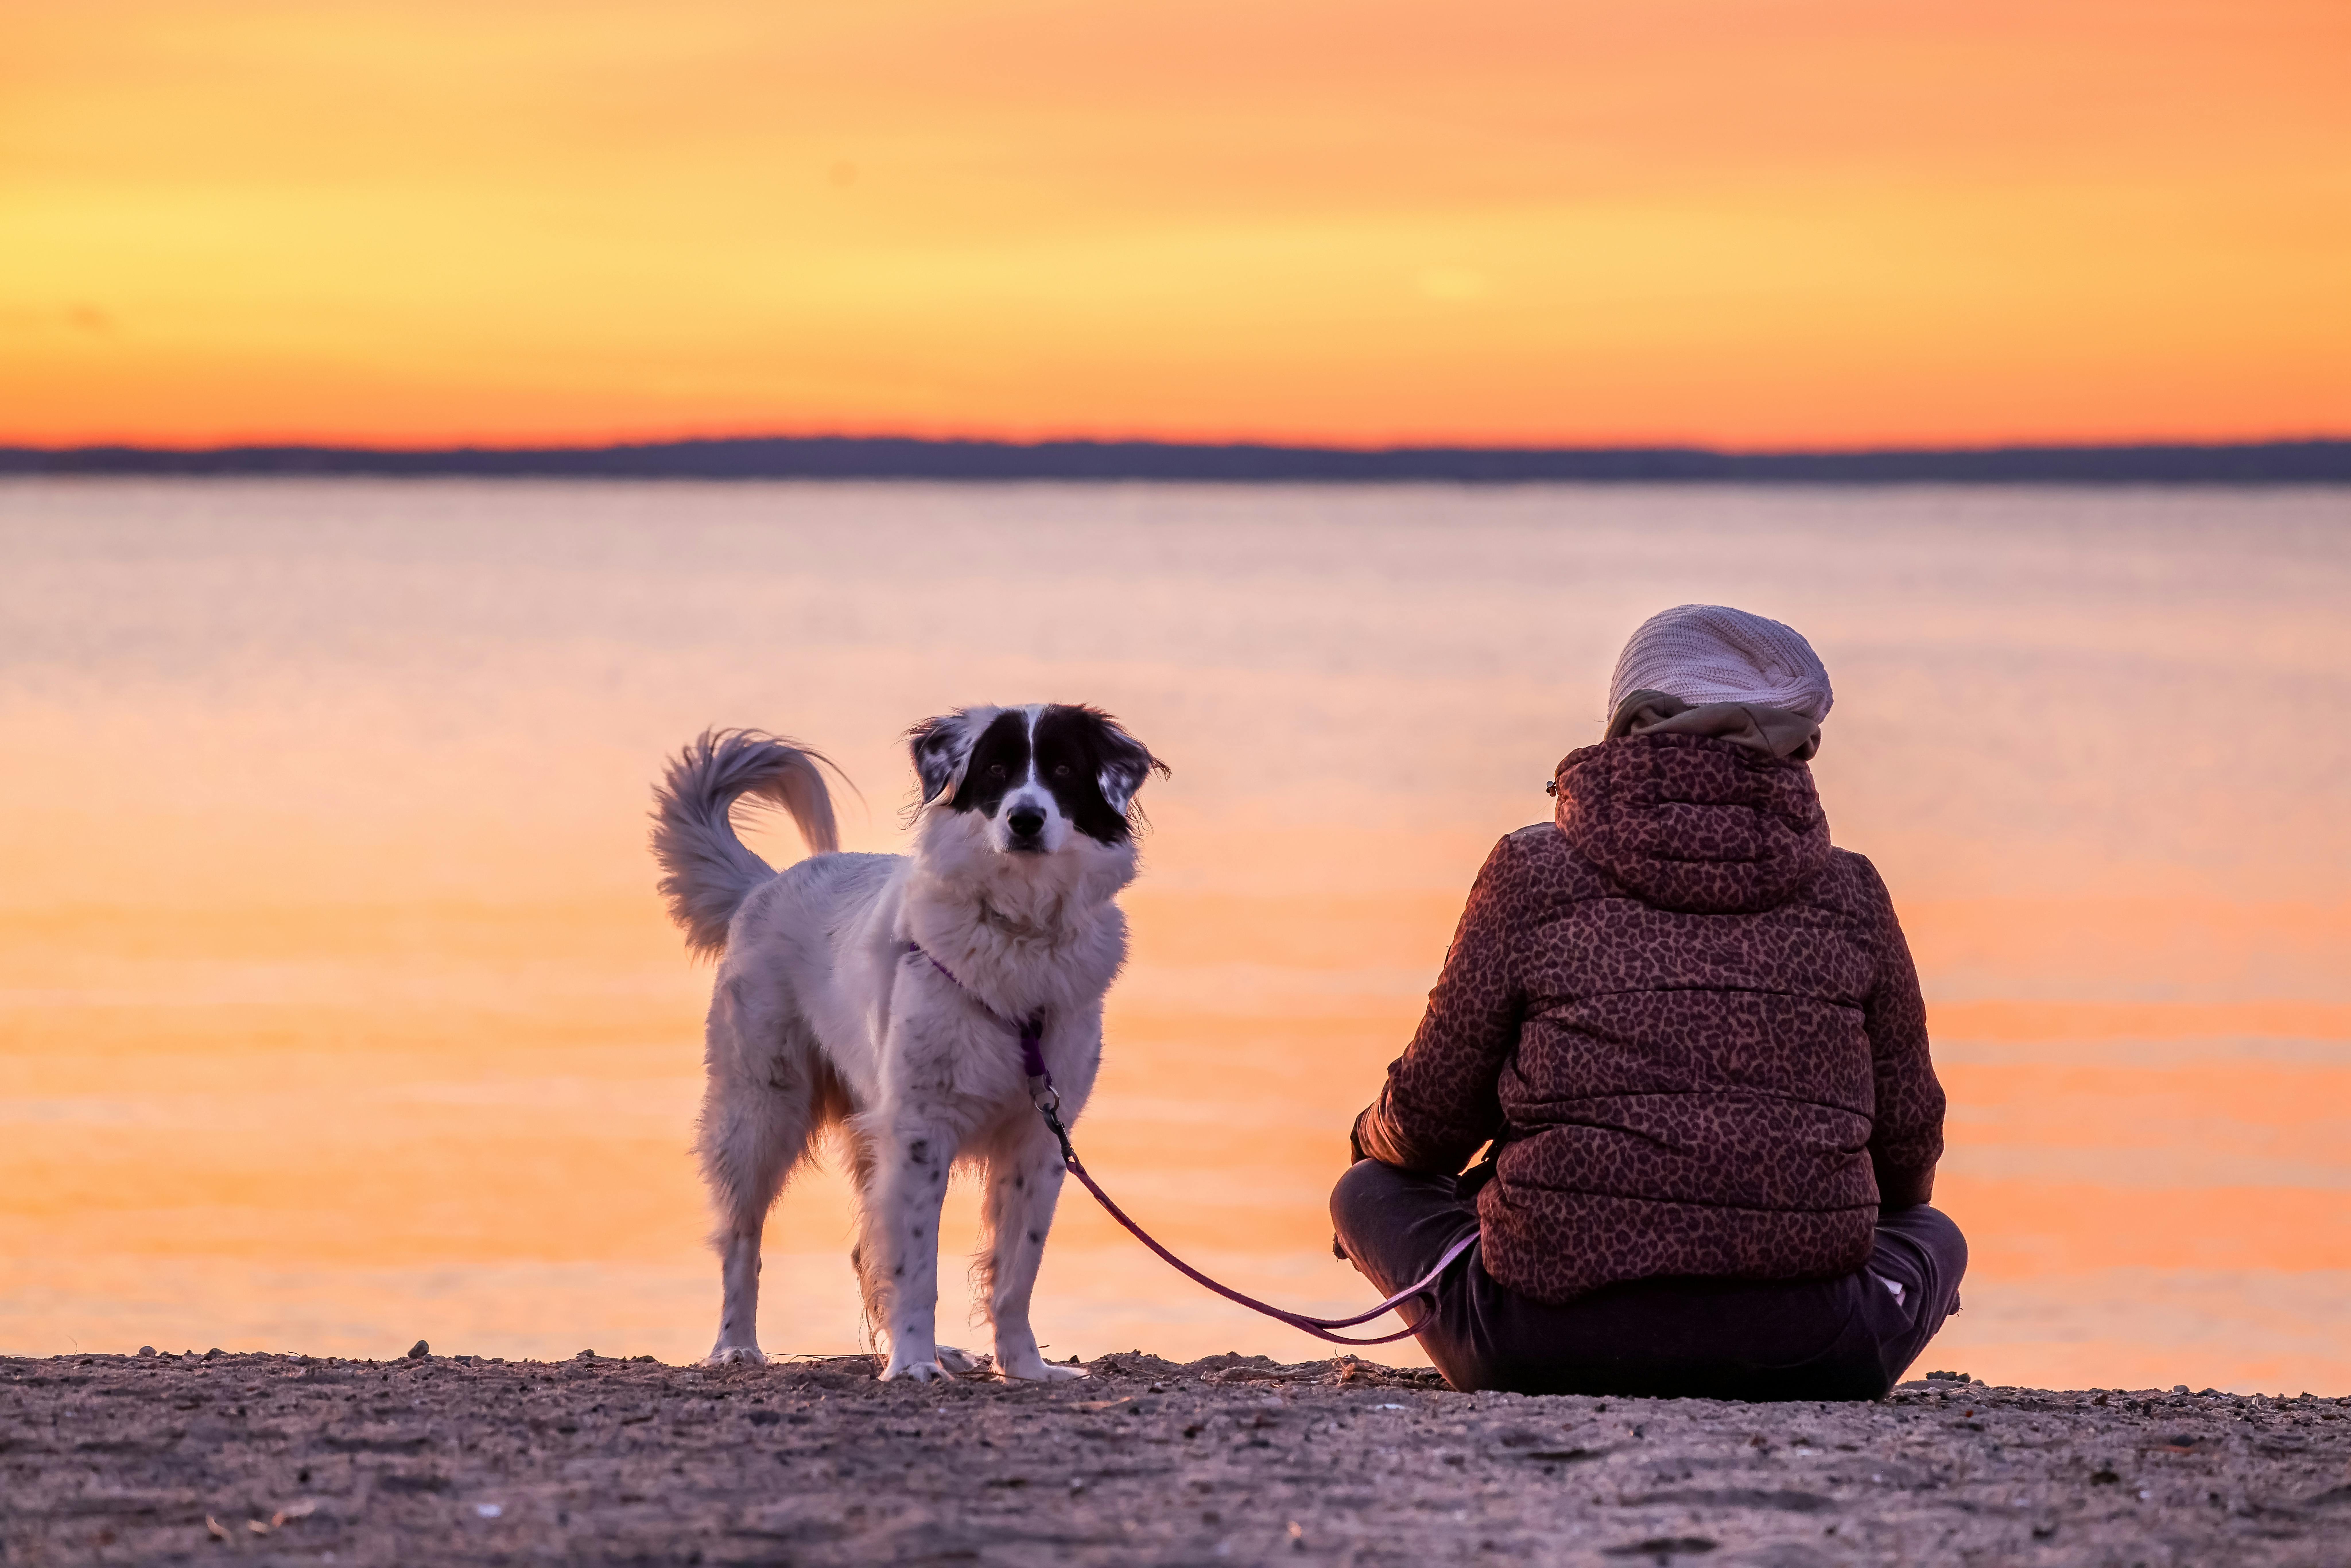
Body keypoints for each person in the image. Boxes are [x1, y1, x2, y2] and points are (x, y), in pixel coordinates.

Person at [1332, 604, 1964, 1400]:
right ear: (1799, 744)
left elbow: (1426, 1127)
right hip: (1812, 1350)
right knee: (1934, 1233)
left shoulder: (1531, 871)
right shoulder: (1854, 892)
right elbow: (1908, 1159)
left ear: (1625, 722)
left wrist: (1370, 1139)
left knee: (1369, 1188)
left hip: (1539, 1346)